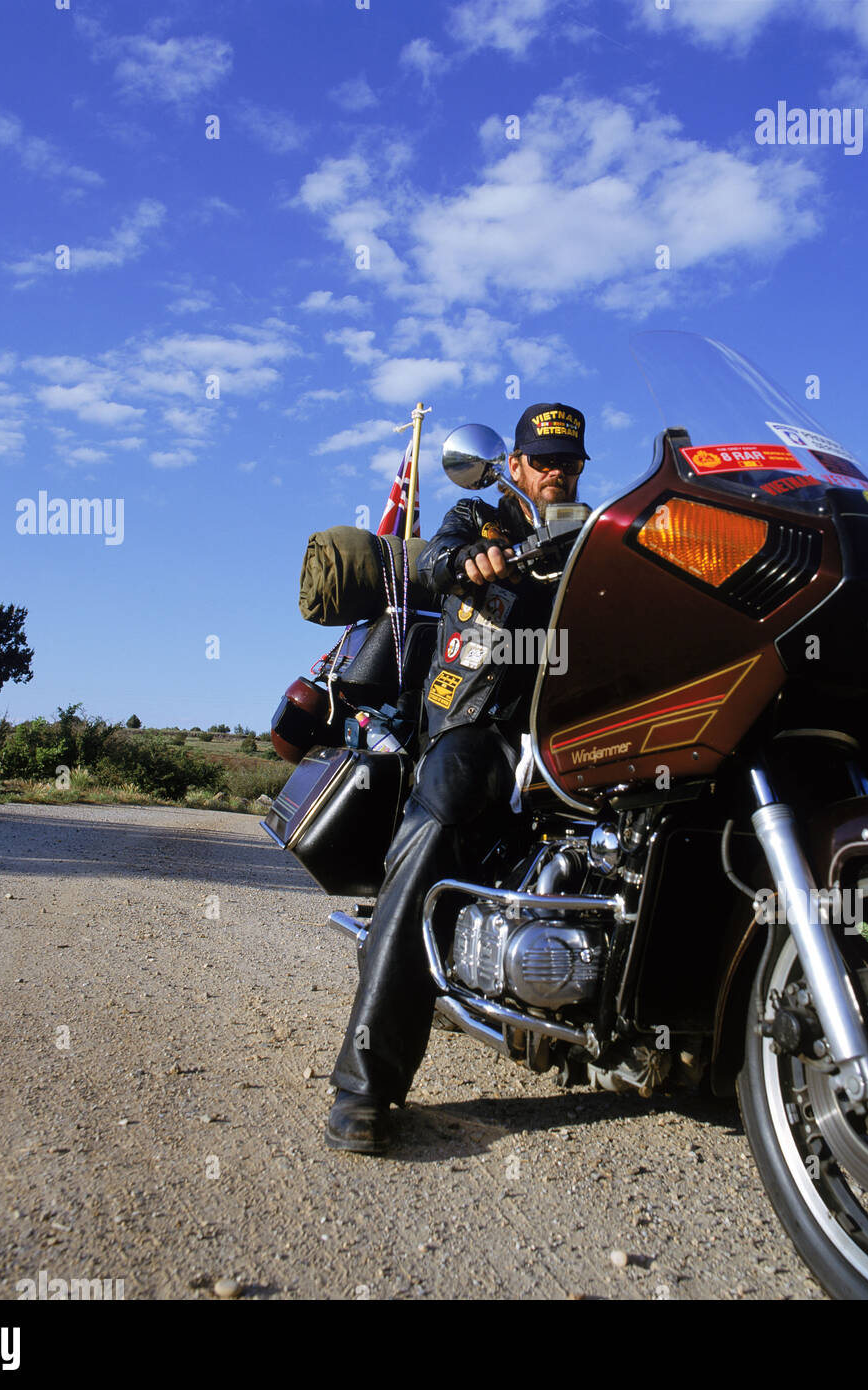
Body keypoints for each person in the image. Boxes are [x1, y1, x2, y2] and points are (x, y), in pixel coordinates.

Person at [327, 402, 589, 1153]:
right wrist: (466, 560)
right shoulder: (481, 515)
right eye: (542, 461)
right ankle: (366, 1083)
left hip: (576, 725)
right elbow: (437, 560)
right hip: (480, 717)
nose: (555, 473)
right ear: (515, 466)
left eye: (567, 462)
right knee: (435, 827)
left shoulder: (593, 533)